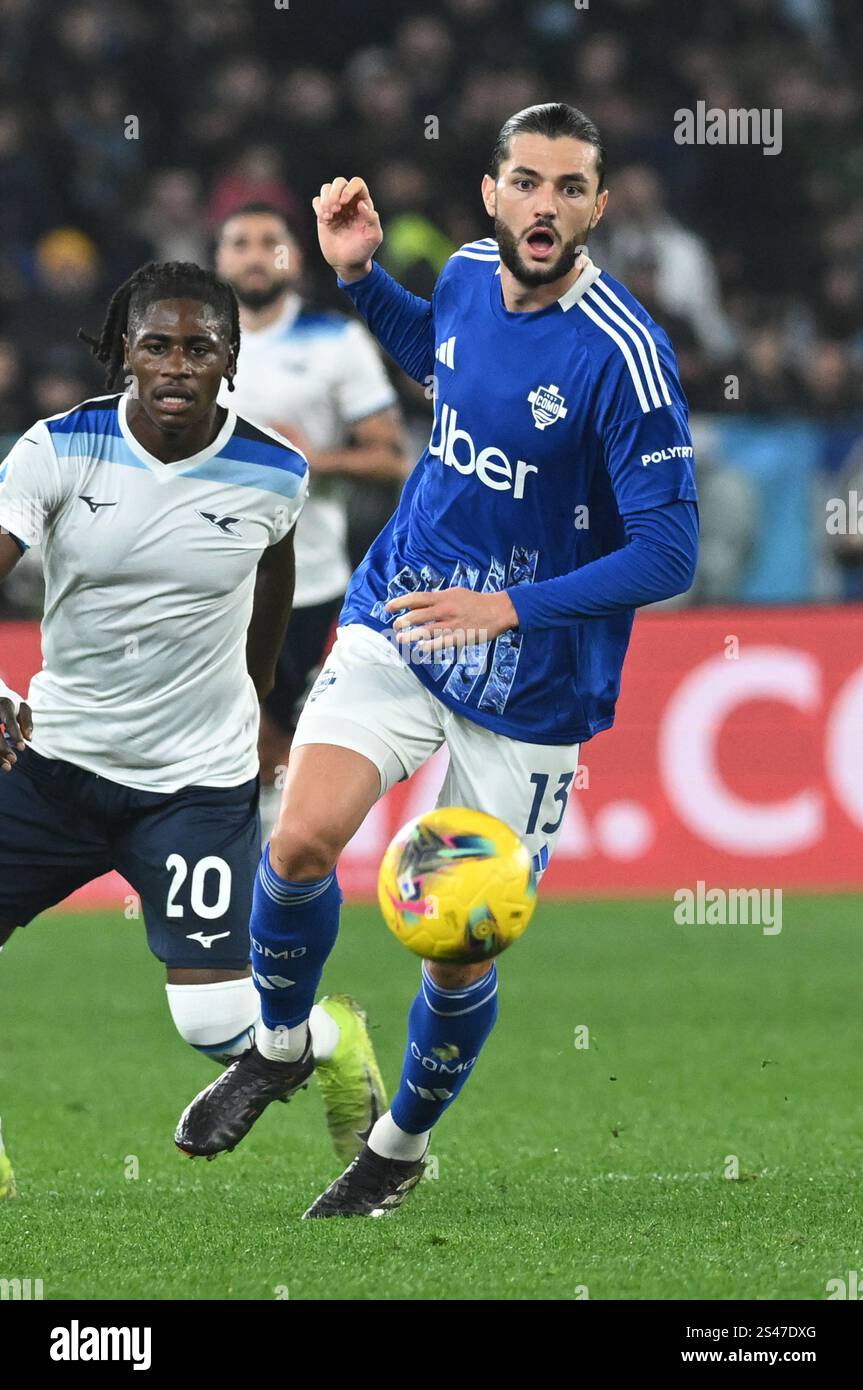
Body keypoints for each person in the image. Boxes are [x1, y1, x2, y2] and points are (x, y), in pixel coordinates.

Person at [175, 104, 699, 1219]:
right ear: (490, 192)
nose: (543, 205)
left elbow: (668, 549)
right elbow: (443, 364)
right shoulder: (463, 276)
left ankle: (396, 1149)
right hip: (408, 608)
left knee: (456, 946)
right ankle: (275, 1047)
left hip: (532, 682)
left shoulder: (623, 355)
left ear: (598, 207)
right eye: (525, 182)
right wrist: (362, 278)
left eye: (568, 188)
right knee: (302, 836)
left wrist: (507, 606)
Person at [0, 261, 385, 1178]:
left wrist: (260, 710)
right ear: (123, 354)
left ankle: (331, 1045)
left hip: (193, 783)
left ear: (231, 358)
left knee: (213, 1024)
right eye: (157, 346)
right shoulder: (56, 449)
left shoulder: (275, 472)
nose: (177, 367)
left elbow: (272, 587)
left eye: (198, 348)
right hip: (55, 761)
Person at [214, 203, 408, 829]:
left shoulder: (335, 341)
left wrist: (310, 458)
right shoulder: (192, 346)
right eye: (238, 241)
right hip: (209, 577)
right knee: (227, 732)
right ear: (220, 262)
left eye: (269, 241)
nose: (253, 252)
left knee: (282, 741)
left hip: (307, 578)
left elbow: (391, 457)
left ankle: (274, 875)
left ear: (293, 259)